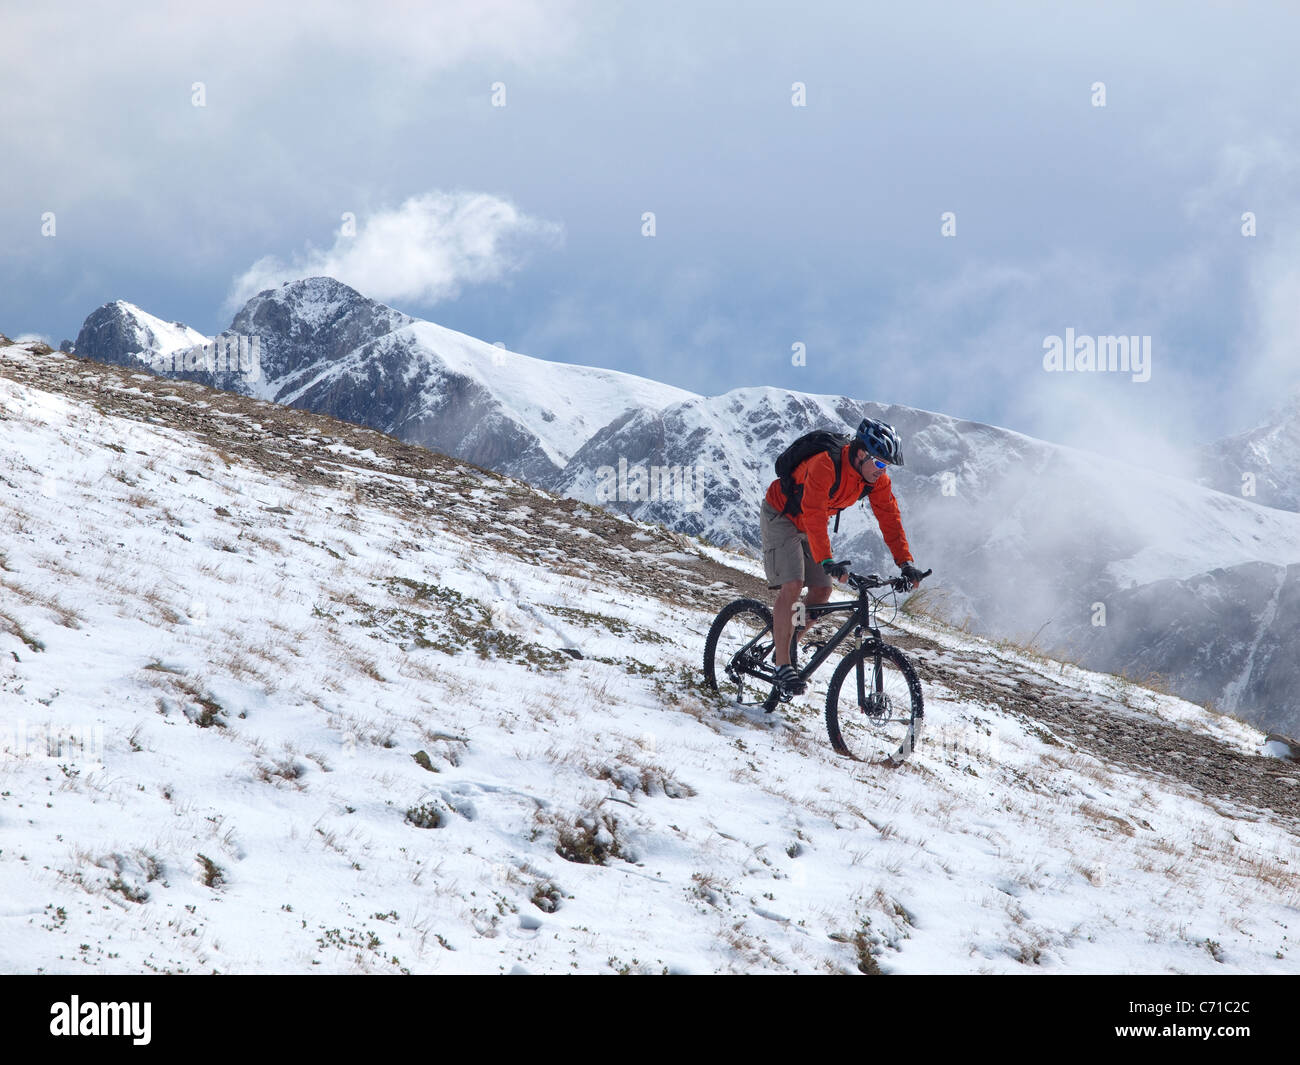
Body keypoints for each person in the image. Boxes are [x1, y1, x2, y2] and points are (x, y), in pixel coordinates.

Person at [760, 417, 925, 696]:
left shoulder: (875, 480)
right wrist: (826, 559)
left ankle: (787, 644)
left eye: (887, 466)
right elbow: (812, 512)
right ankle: (782, 665)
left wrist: (905, 562)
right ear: (862, 454)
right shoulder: (825, 464)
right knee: (793, 584)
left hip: (811, 524)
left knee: (822, 591)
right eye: (881, 463)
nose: (883, 471)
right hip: (782, 515)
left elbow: (890, 518)